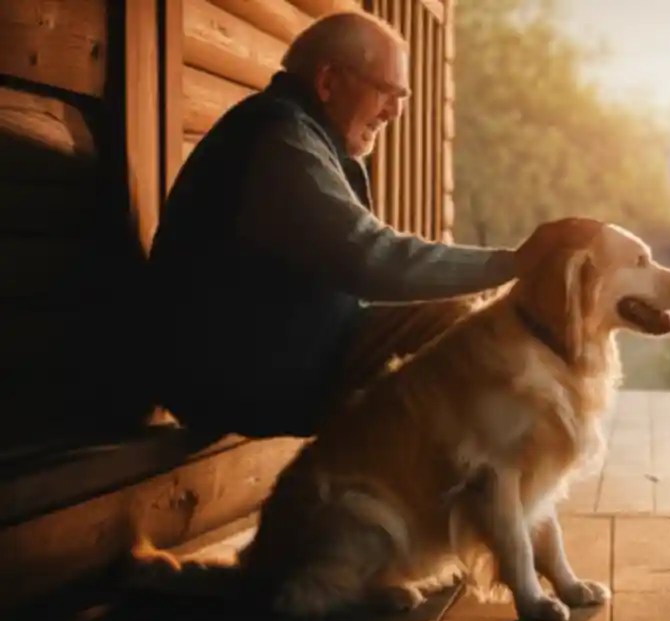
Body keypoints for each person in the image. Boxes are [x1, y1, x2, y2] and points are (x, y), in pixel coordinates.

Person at [148, 11, 536, 438]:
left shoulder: (298, 133)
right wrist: (515, 263)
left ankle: (432, 492)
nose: (395, 112)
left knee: (460, 328)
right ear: (328, 81)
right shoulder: (278, 139)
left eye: (402, 97)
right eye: (387, 91)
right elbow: (371, 259)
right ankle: (438, 494)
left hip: (276, 359)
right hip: (235, 379)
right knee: (460, 332)